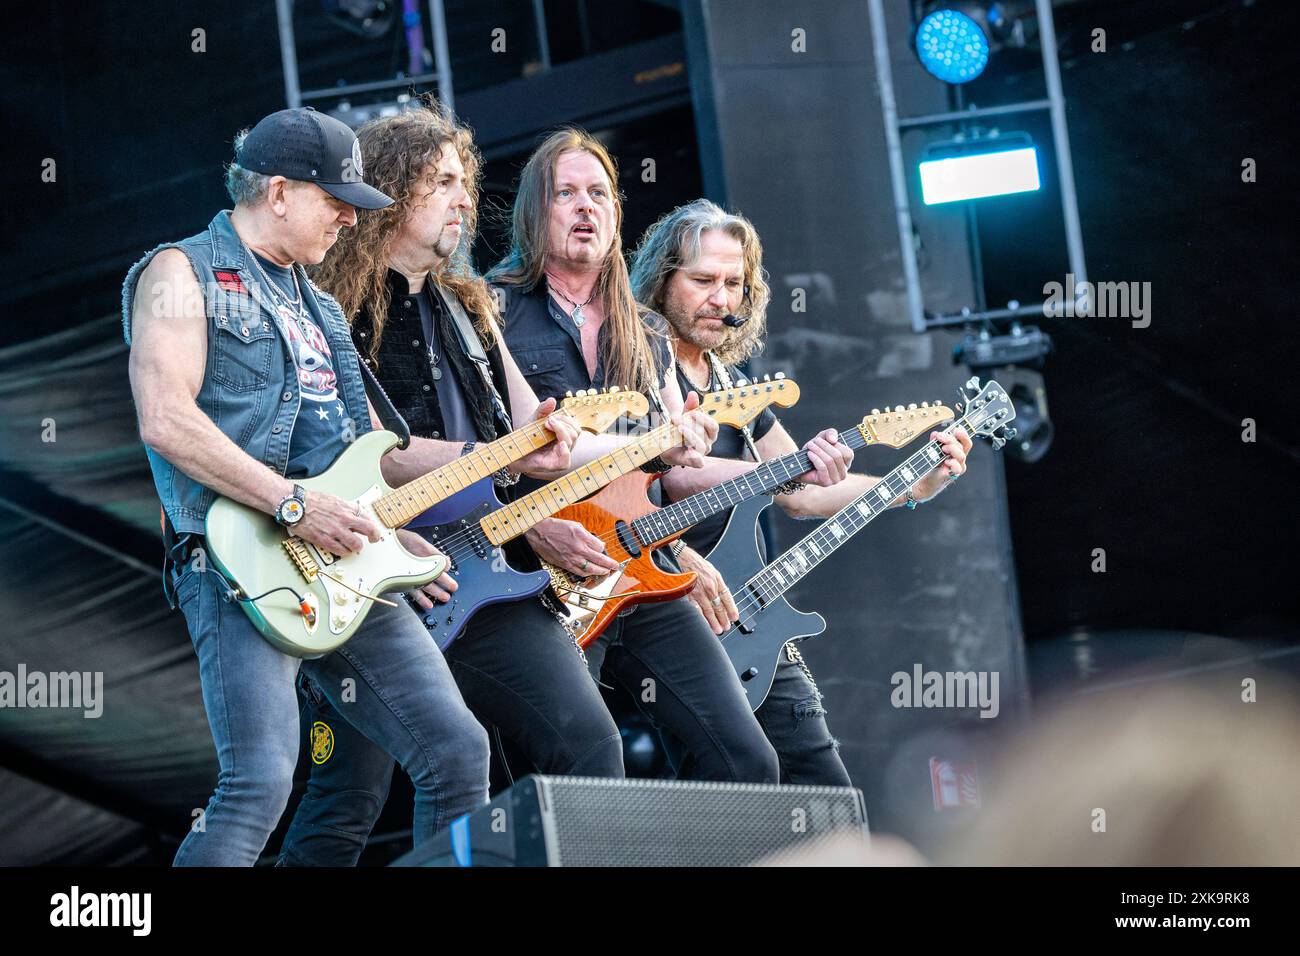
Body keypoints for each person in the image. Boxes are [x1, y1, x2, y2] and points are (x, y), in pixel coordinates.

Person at [121, 107, 546, 864]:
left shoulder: (319, 306)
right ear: (278, 191)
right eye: (336, 200)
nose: (351, 219)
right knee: (258, 782)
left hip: (338, 559)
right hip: (234, 561)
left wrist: (384, 531)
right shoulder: (179, 271)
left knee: (456, 749)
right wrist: (292, 503)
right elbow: (165, 419)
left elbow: (360, 456)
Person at [488, 129, 856, 783]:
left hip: (643, 573)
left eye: (598, 192)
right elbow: (482, 453)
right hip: (534, 579)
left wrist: (790, 467)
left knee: (746, 761)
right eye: (565, 193)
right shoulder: (494, 312)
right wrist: (533, 526)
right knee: (568, 774)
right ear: (533, 210)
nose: (584, 207)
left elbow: (670, 467)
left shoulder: (645, 328)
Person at [629, 199, 972, 786]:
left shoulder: (736, 386)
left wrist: (915, 483)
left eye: (734, 284)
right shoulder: (636, 366)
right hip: (665, 599)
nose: (721, 299)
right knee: (735, 785)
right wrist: (786, 477)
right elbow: (659, 481)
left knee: (825, 784)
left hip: (745, 609)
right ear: (663, 280)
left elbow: (802, 494)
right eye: (704, 280)